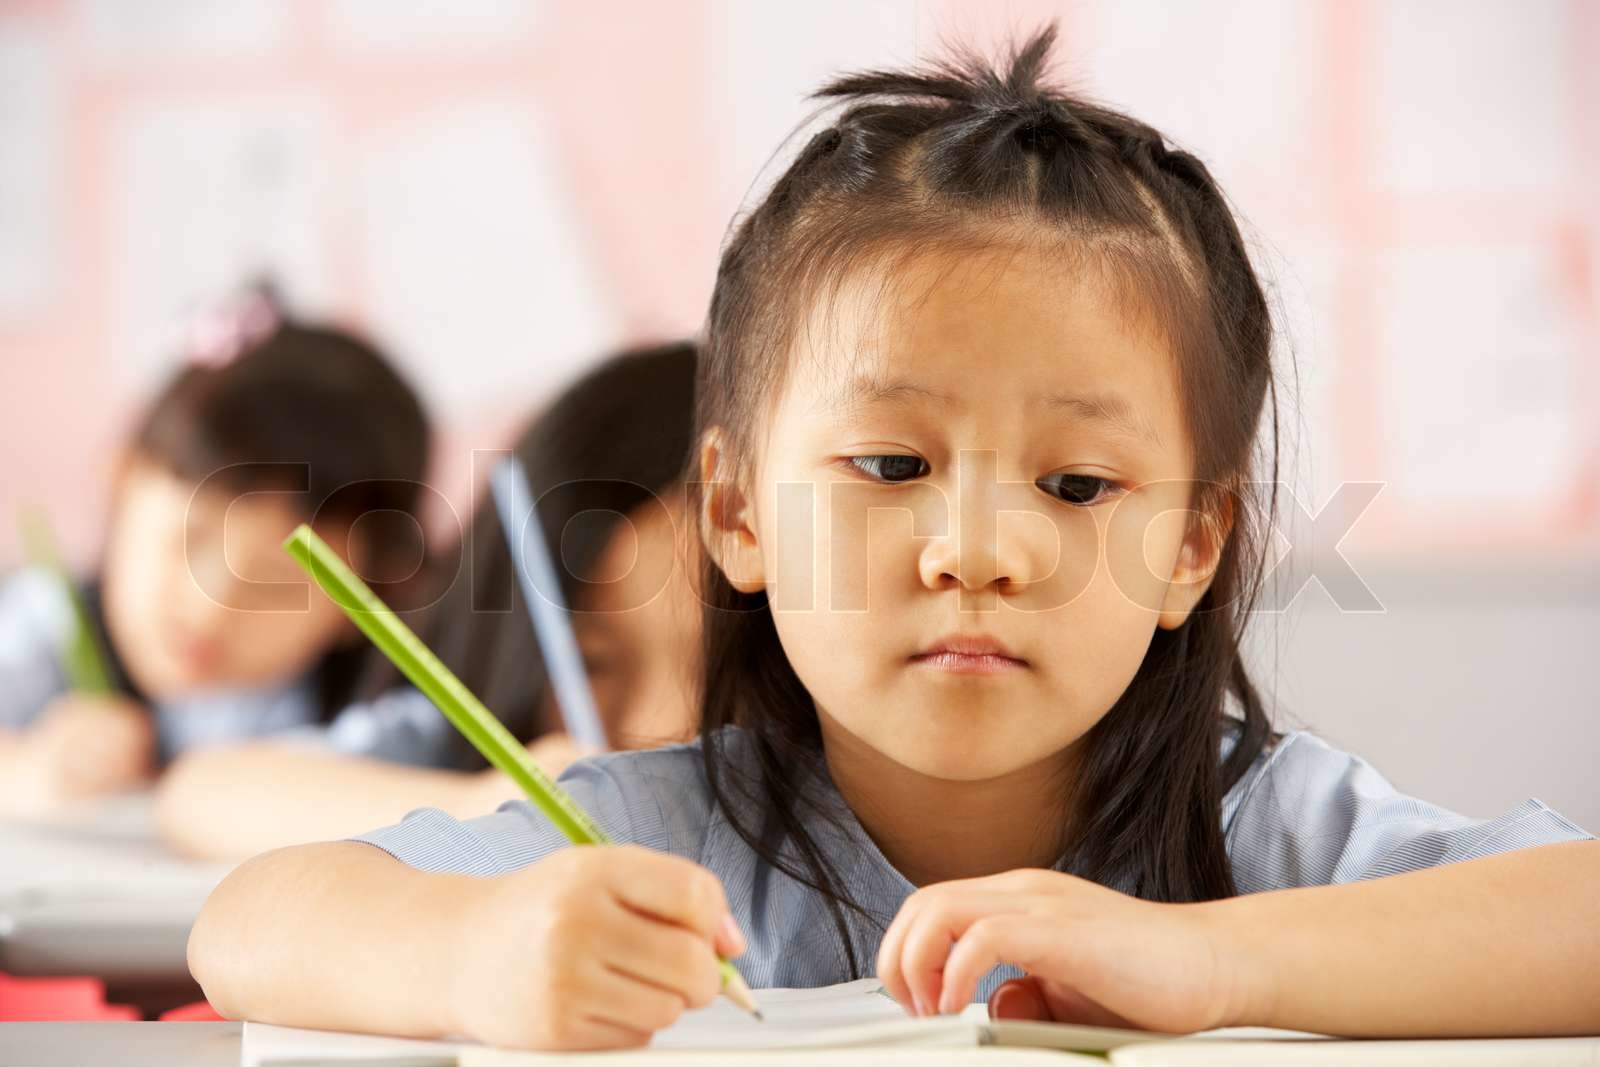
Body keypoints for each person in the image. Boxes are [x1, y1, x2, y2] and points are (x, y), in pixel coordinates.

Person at [186, 30, 1597, 1050]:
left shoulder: (1258, 832)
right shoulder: (663, 834)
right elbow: (247, 922)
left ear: (1193, 541)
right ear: (737, 511)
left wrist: (1210, 958)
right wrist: (481, 951)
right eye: (890, 463)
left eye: (1079, 484)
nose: (975, 548)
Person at [156, 343, 703, 860]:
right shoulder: (464, 747)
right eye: (593, 664)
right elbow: (203, 795)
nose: (658, 723)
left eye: (711, 662)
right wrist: (481, 808)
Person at [0, 289, 430, 815]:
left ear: (367, 594)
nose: (213, 608)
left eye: (278, 579)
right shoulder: (43, 623)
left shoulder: (376, 702)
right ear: (120, 481)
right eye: (189, 540)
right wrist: (25, 769)